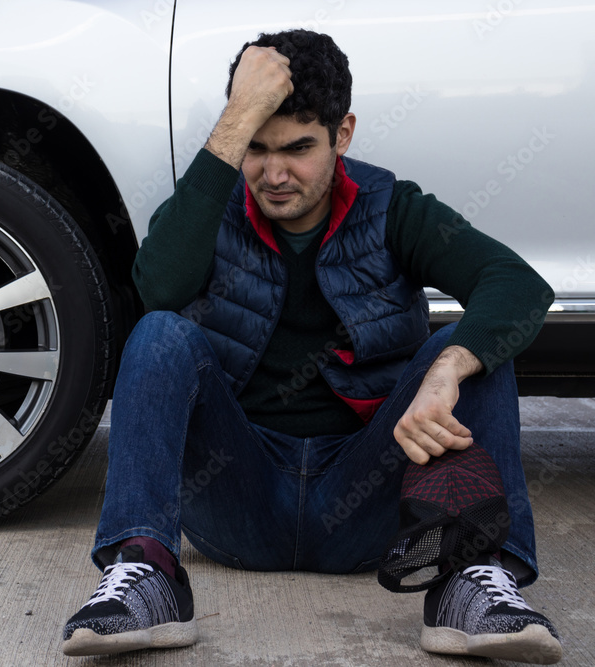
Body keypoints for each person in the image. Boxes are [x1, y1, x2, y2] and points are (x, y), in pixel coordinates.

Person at [61, 29, 563, 663]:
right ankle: (147, 573)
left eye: (298, 148)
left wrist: (448, 370)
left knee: (476, 349)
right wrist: (236, 117)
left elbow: (517, 284)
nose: (274, 175)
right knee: (160, 334)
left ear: (342, 135)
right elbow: (158, 287)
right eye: (257, 148)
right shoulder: (212, 203)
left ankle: (474, 582)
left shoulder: (392, 206)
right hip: (240, 498)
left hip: (369, 498)